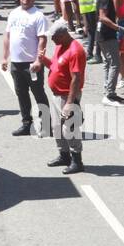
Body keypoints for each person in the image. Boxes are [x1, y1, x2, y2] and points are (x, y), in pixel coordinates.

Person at [37, 22, 86, 174]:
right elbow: (56, 66)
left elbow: (76, 78)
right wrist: (44, 60)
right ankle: (64, 156)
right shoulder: (60, 45)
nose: (52, 40)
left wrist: (70, 103)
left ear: (64, 34)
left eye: (55, 37)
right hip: (56, 94)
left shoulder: (75, 51)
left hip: (67, 96)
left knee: (69, 129)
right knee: (56, 127)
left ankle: (77, 161)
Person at [3, 0, 49, 135]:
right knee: (21, 94)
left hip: (32, 64)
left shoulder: (38, 16)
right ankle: (26, 124)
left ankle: (47, 124)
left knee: (38, 93)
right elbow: (7, 36)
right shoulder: (14, 14)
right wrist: (4, 58)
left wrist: (38, 60)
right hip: (16, 63)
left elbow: (42, 39)